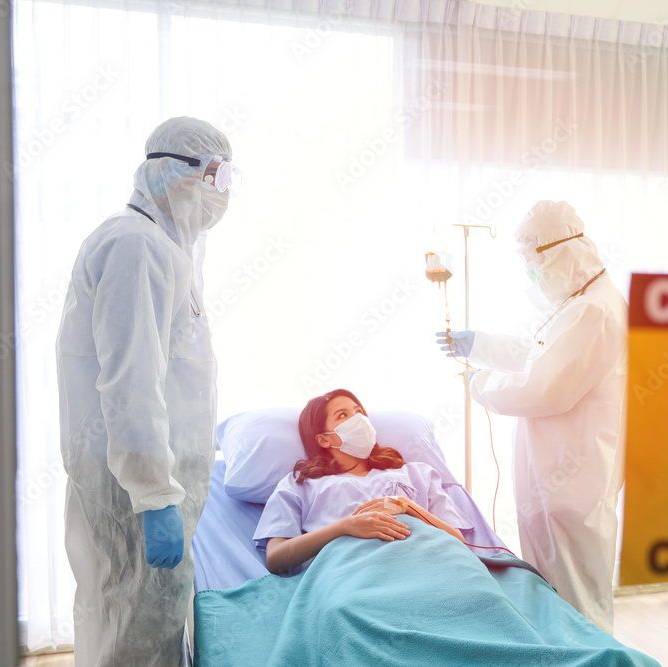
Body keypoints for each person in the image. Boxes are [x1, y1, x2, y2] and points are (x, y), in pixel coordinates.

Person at [57, 116, 240, 667]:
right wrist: (155, 495)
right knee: (137, 628)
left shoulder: (165, 249)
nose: (222, 193)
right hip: (135, 490)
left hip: (150, 483)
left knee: (129, 618)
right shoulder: (135, 246)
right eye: (216, 175)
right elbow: (131, 382)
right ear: (174, 172)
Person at [436, 200, 628, 633]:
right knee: (556, 595)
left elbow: (545, 386)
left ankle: (593, 662)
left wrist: (479, 384)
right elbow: (540, 357)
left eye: (533, 263)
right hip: (557, 475)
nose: (530, 274)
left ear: (561, 254)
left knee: (577, 601)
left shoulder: (595, 310)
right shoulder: (581, 304)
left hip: (573, 480)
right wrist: (479, 344)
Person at [254, 389, 473, 573]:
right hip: (351, 576)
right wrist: (344, 526)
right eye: (343, 415)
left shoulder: (418, 474)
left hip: (430, 569)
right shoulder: (302, 485)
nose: (359, 419)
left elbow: (458, 541)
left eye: (359, 412)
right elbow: (275, 558)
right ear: (324, 439)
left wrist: (408, 507)